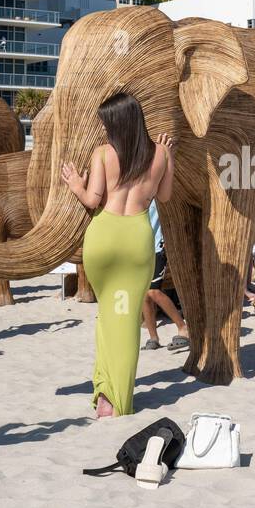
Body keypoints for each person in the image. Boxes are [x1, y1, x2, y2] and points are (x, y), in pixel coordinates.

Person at [61, 92, 174, 418]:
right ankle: (114, 400)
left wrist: (74, 183)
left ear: (117, 124)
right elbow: (165, 197)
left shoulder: (103, 154)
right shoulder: (162, 154)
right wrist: (169, 157)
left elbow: (92, 200)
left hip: (104, 238)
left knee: (108, 316)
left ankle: (105, 393)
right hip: (136, 242)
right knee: (125, 322)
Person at [141, 200, 189, 351]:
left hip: (157, 247)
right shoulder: (137, 189)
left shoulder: (159, 192)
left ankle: (183, 328)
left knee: (153, 291)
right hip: (139, 249)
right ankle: (153, 337)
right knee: (144, 295)